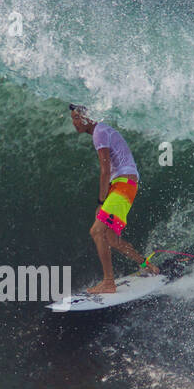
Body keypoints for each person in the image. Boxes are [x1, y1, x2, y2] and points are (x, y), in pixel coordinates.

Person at [69, 104, 159, 294]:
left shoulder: (99, 132)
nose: (74, 123)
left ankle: (109, 282)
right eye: (73, 119)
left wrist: (101, 202)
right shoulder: (102, 130)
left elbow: (105, 170)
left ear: (86, 118)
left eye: (77, 118)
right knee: (111, 238)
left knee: (96, 232)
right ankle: (148, 265)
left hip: (123, 184)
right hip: (122, 184)